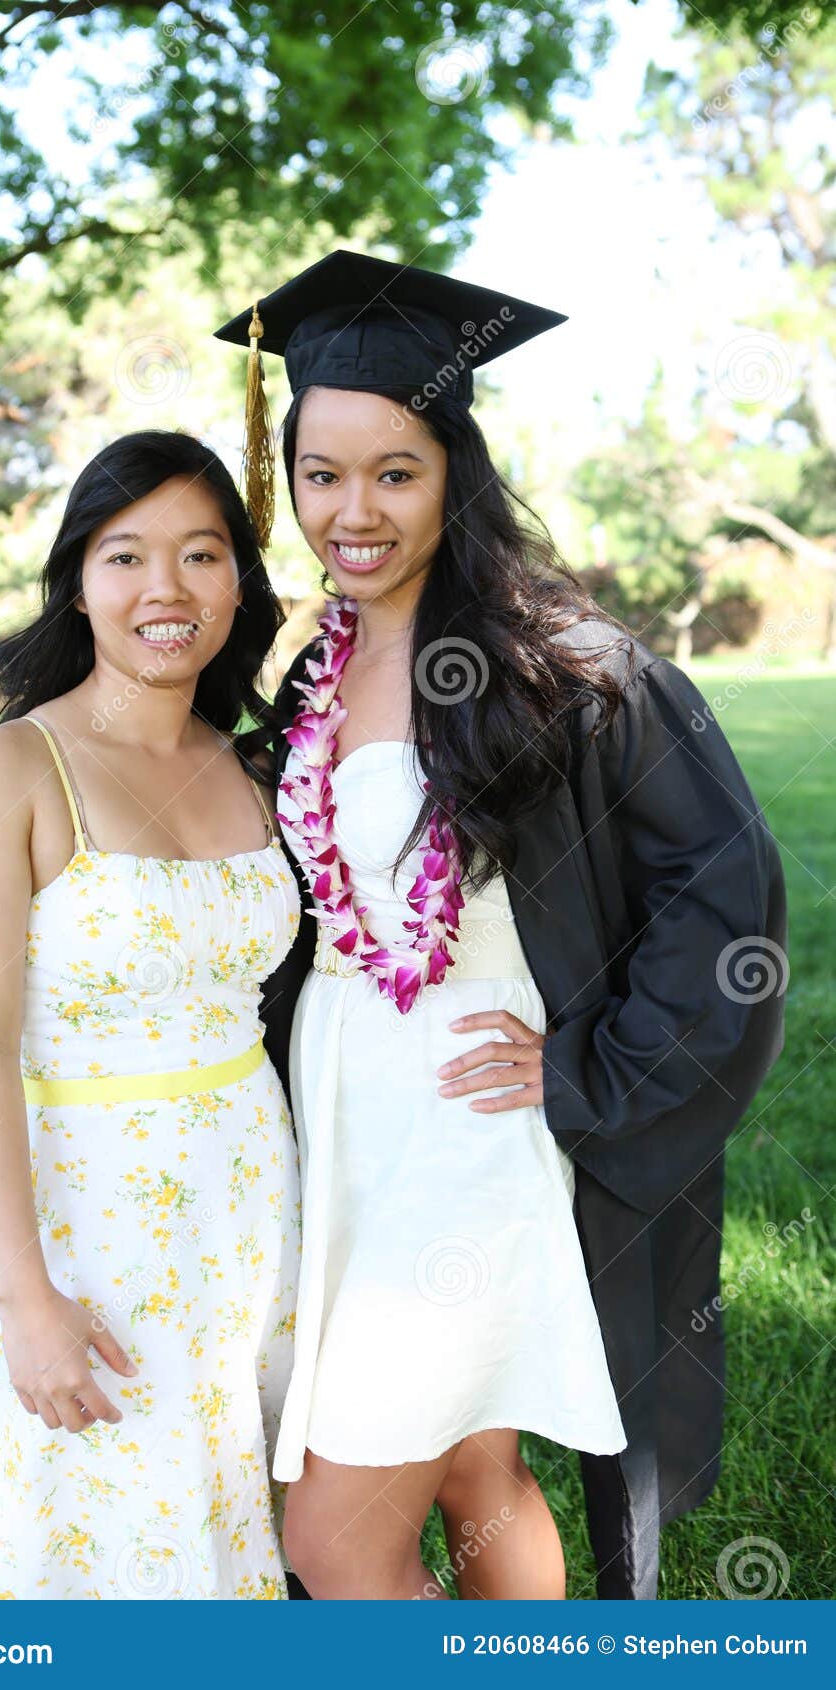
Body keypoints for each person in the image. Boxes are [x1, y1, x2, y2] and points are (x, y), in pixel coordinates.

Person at [215, 250, 788, 1600]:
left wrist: (593, 1068)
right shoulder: (316, 667)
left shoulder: (562, 662)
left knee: (327, 1537)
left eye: (393, 471)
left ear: (451, 471)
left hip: (473, 1124)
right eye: (318, 473)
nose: (350, 510)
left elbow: (722, 882)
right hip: (346, 1108)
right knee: (474, 1470)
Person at [0, 430, 303, 1599]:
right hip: (100, 1225)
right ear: (78, 578)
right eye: (125, 556)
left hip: (256, 1203)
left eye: (201, 555)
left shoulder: (253, 769)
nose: (164, 590)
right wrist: (25, 1295)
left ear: (239, 580)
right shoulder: (6, 772)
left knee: (240, 1531)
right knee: (108, 1536)